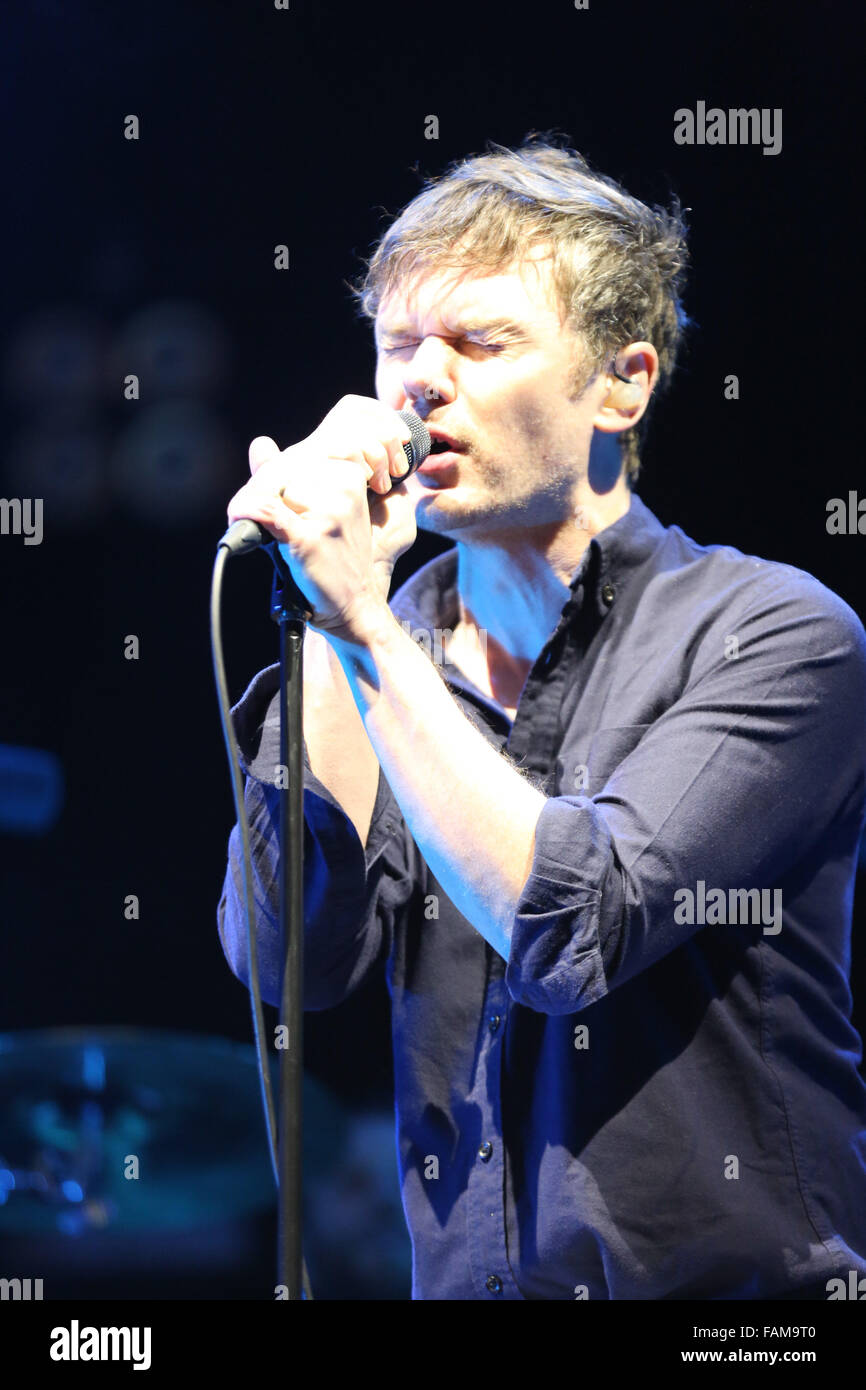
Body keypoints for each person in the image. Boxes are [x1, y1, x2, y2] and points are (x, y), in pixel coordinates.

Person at [217, 138, 866, 1300]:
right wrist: (323, 613)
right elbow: (289, 958)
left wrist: (362, 628)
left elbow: (569, 931)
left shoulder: (772, 634)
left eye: (478, 341)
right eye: (399, 345)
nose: (419, 381)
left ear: (620, 383)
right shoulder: (379, 649)